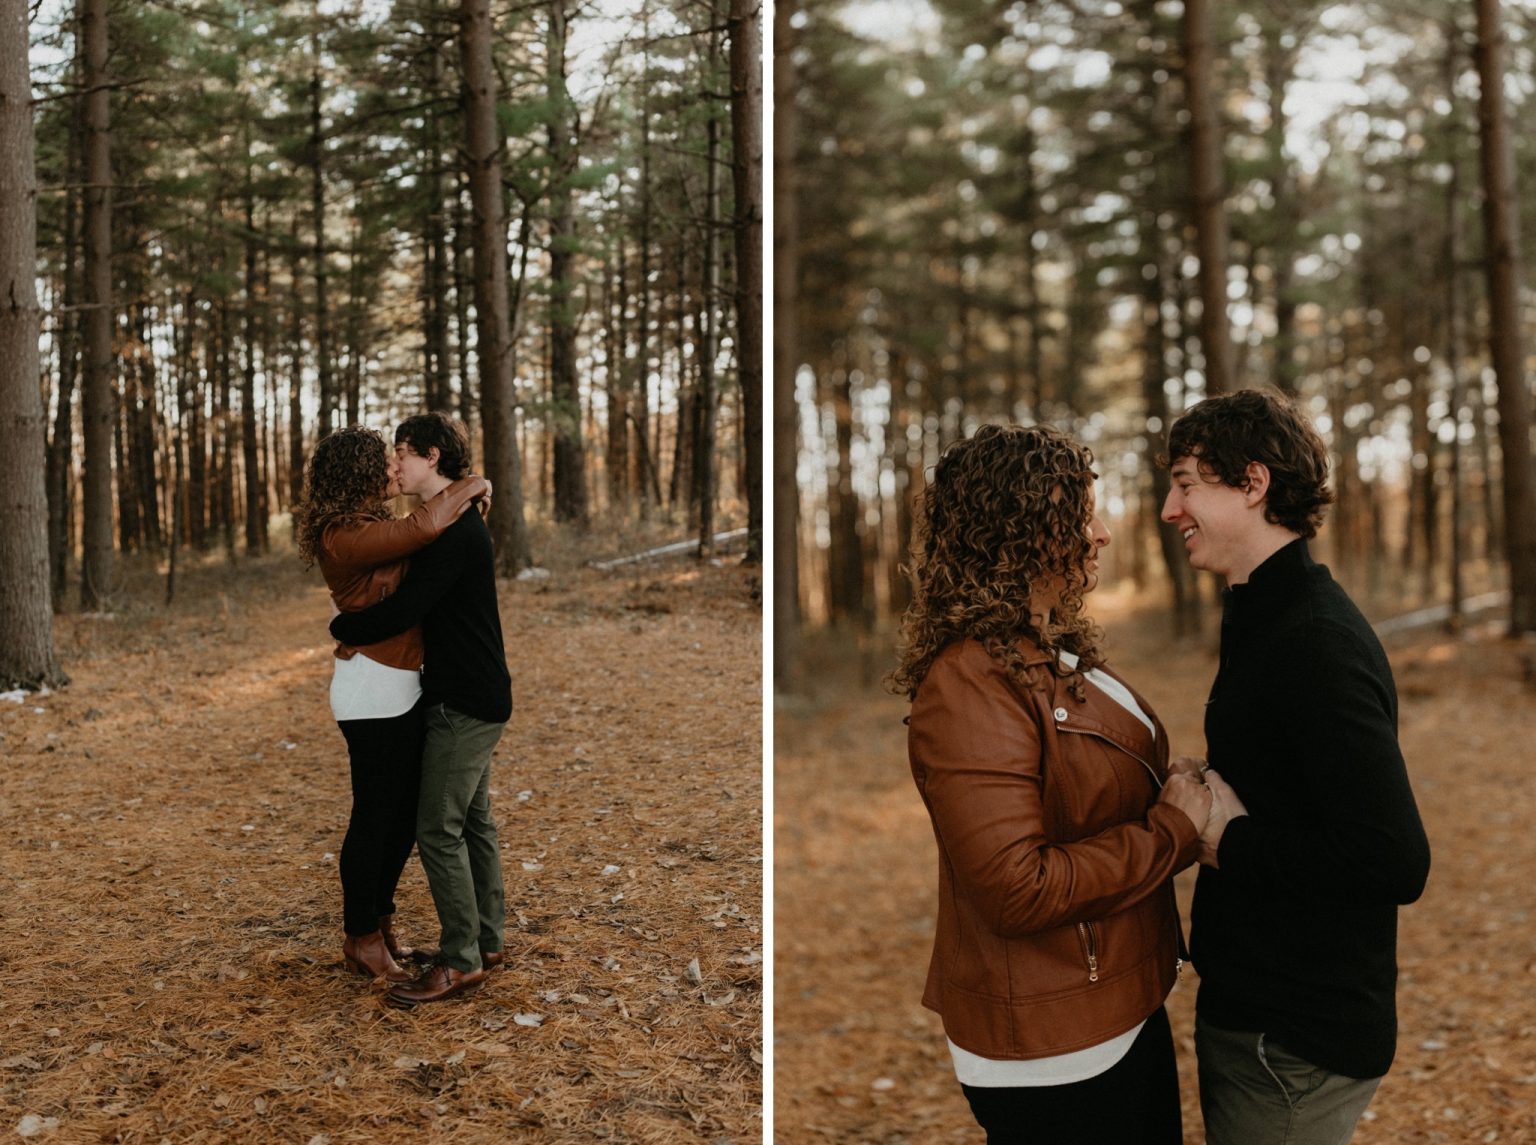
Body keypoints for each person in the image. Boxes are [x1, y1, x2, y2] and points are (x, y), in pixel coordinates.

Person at [893, 423, 1211, 1144]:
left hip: (1108, 1009)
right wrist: (1173, 830)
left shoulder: (1043, 649)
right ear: (1021, 528)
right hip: (1056, 1048)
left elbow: (1085, 788)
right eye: (1080, 515)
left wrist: (1171, 787)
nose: (1100, 533)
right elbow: (1016, 886)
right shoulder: (970, 683)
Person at [1159, 388, 1432, 1145]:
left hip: (1294, 1041)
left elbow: (1394, 857)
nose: (1168, 509)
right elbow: (1294, 781)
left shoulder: (1315, 639)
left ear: (1252, 484)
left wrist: (1230, 840)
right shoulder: (1264, 610)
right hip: (1263, 1017)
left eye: (1185, 482)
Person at [330, 411, 512, 1008]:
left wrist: (344, 624)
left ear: (432, 457)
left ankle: (461, 961)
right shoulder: (448, 525)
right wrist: (476, 485)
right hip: (471, 690)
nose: (394, 465)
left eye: (402, 453)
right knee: (475, 821)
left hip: (460, 698)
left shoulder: (453, 533)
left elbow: (407, 607)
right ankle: (486, 942)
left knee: (438, 828)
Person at [295, 426, 488, 984]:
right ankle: (361, 938)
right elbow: (425, 524)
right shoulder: (341, 534)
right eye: (382, 462)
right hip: (371, 685)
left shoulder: (369, 525)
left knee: (401, 817)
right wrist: (472, 483)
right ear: (357, 473)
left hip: (397, 680)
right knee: (375, 816)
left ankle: (378, 924)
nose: (392, 470)